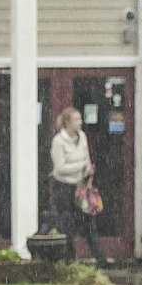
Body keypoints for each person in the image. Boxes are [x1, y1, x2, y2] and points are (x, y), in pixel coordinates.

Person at [46, 105, 100, 261]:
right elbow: (59, 168)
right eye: (77, 119)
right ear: (68, 122)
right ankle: (69, 259)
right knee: (66, 223)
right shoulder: (58, 141)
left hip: (80, 185)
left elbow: (86, 157)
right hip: (63, 186)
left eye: (80, 119)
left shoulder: (82, 136)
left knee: (89, 220)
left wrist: (88, 172)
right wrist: (81, 166)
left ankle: (100, 258)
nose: (80, 122)